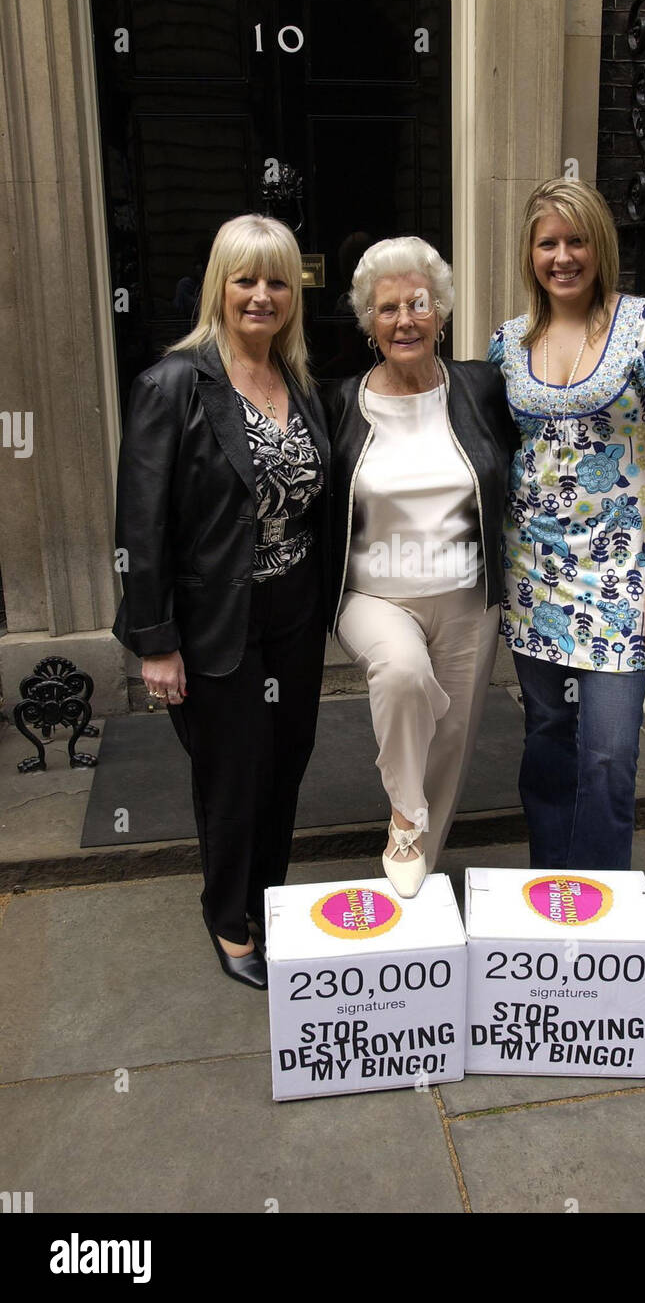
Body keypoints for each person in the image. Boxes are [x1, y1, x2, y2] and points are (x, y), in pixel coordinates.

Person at [113, 214, 330, 988]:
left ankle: (268, 899)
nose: (262, 295)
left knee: (285, 763)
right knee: (233, 774)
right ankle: (229, 920)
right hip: (212, 624)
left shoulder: (298, 381)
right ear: (220, 287)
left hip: (293, 615)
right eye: (246, 279)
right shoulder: (172, 384)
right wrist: (156, 641)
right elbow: (140, 524)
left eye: (277, 280)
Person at [488, 178, 645, 869]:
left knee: (609, 750)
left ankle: (600, 908)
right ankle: (547, 887)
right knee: (547, 733)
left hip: (623, 579)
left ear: (599, 244)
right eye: (548, 242)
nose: (563, 256)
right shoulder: (508, 343)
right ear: (530, 253)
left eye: (577, 239)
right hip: (534, 574)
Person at [322, 236, 516, 897]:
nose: (403, 319)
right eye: (387, 309)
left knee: (451, 746)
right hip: (374, 595)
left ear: (441, 312)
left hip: (467, 594)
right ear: (369, 323)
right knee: (402, 674)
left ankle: (419, 874)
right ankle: (404, 818)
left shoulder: (483, 388)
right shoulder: (340, 403)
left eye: (417, 304)